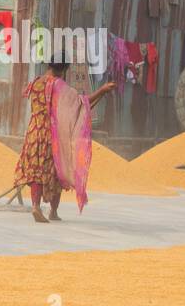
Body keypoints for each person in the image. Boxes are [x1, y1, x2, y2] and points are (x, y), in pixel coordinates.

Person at [14, 55, 114, 223]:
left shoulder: (36, 82)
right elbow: (81, 103)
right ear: (64, 69)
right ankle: (53, 211)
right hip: (52, 135)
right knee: (59, 171)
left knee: (36, 171)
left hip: (33, 132)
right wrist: (102, 91)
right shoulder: (59, 86)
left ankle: (36, 207)